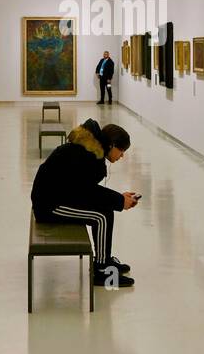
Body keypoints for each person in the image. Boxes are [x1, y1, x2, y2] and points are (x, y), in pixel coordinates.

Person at [31, 119, 138, 286]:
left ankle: (104, 260)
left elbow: (82, 190)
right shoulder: (88, 155)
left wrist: (118, 198)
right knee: (100, 217)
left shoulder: (90, 150)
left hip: (61, 197)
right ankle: (101, 272)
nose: (122, 155)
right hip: (49, 205)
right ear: (111, 145)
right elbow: (85, 191)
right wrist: (119, 200)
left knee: (106, 209)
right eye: (122, 150)